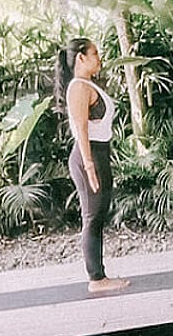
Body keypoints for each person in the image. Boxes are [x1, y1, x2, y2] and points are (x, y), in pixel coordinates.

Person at [54, 38, 129, 293]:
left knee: (97, 216)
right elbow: (81, 130)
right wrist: (89, 166)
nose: (99, 58)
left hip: (99, 153)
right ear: (81, 58)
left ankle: (99, 276)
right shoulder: (78, 87)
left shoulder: (87, 85)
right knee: (92, 217)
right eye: (95, 53)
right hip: (89, 155)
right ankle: (96, 279)